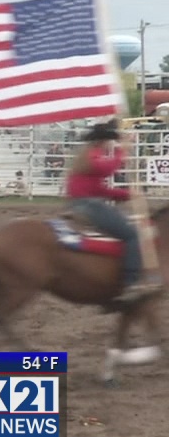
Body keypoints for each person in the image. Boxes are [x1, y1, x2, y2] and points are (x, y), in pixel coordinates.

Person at [64, 121, 161, 308]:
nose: (112, 144)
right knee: (133, 235)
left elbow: (99, 188)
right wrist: (122, 151)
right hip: (87, 205)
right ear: (105, 140)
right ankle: (130, 284)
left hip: (83, 203)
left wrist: (128, 194)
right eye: (111, 140)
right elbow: (107, 169)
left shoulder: (87, 156)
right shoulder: (92, 156)